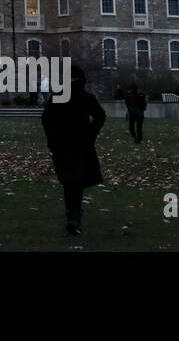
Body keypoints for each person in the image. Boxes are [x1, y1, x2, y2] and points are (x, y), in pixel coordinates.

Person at [41, 67, 106, 235]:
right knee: (76, 181)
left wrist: (52, 140)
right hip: (81, 144)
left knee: (71, 181)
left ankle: (73, 215)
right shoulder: (85, 97)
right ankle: (74, 216)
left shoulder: (58, 97)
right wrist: (92, 132)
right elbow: (100, 115)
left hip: (63, 145)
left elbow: (46, 119)